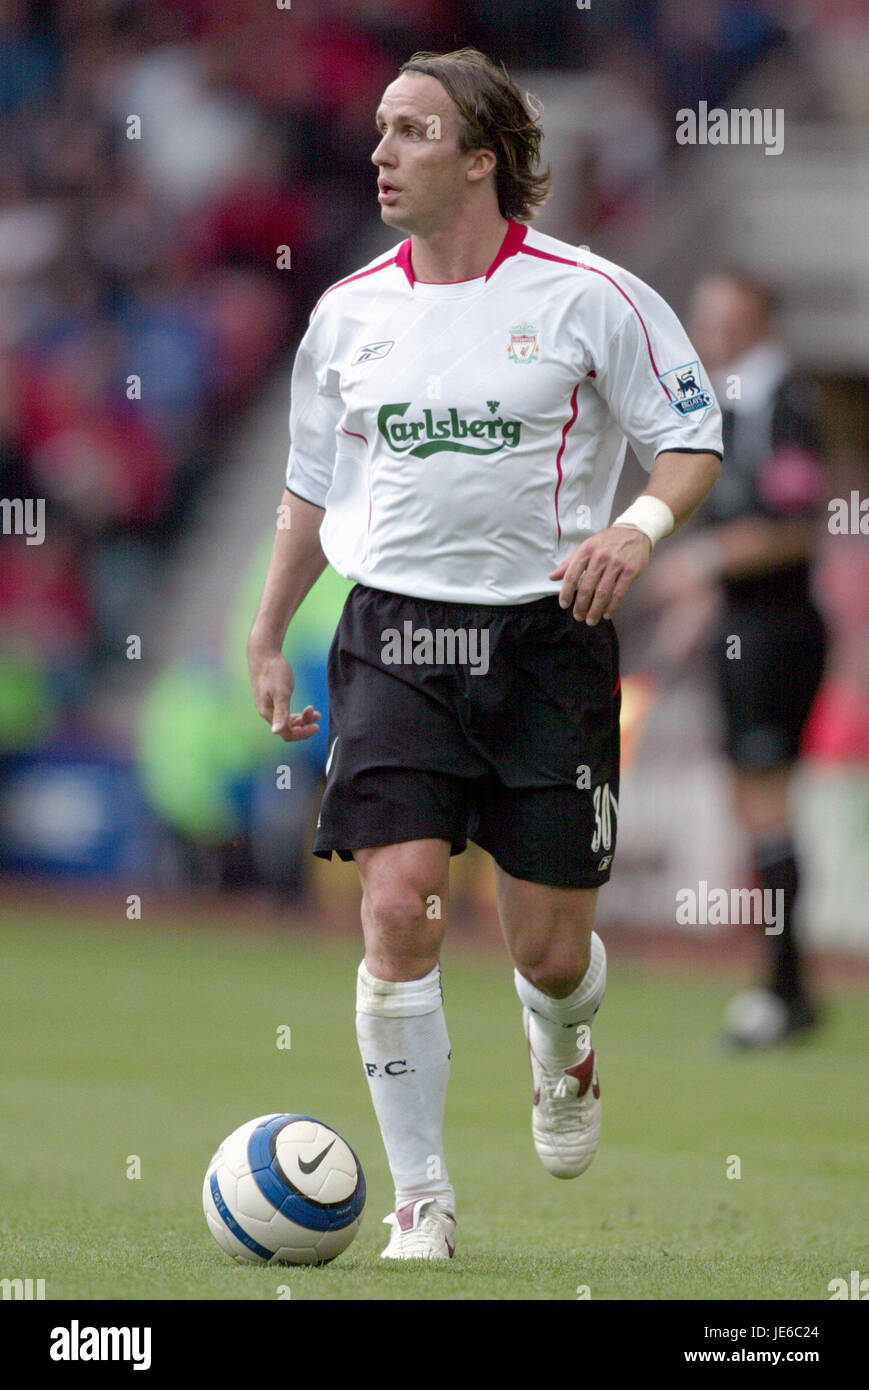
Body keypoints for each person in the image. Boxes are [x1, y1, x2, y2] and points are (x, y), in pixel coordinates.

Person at [247, 48, 722, 1260]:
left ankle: (563, 1046)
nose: (379, 151)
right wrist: (263, 634)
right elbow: (308, 491)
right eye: (378, 129)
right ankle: (421, 1197)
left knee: (548, 948)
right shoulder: (347, 312)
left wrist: (636, 523)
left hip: (547, 643)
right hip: (395, 632)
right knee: (397, 903)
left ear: (482, 157)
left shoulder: (588, 295)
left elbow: (688, 436)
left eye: (411, 130)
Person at [648, 270, 828, 1048]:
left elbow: (794, 527)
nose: (705, 331)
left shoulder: (785, 403)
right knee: (751, 804)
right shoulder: (731, 401)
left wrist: (703, 564)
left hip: (777, 633)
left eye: (720, 317)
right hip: (743, 628)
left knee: (765, 803)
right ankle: (786, 986)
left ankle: (783, 991)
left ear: (756, 321)